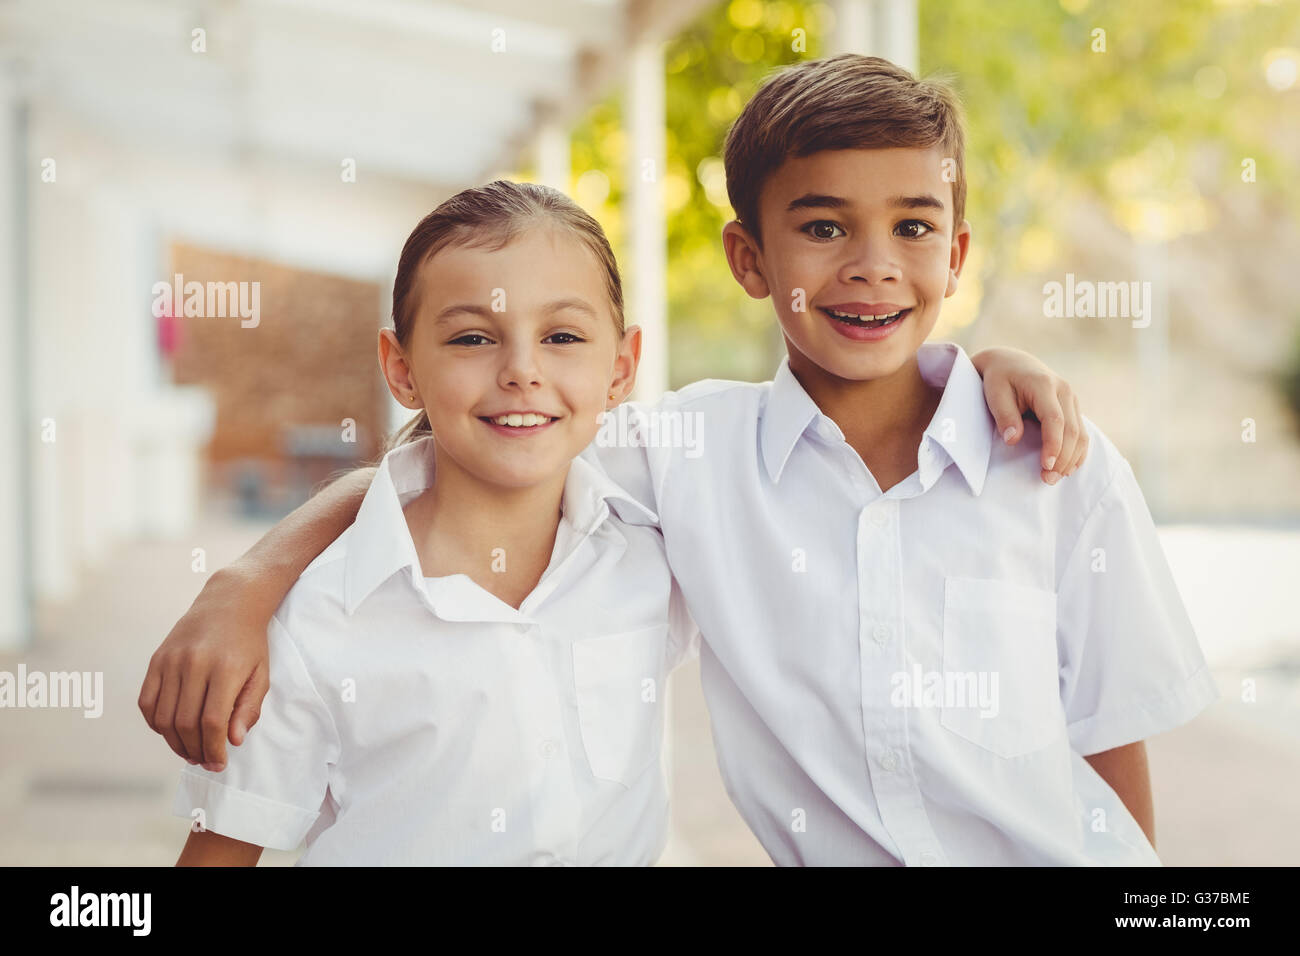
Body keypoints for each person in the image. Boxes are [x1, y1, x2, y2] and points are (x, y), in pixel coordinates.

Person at [142, 57, 1122, 866]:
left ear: (620, 365)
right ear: (749, 260)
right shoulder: (683, 462)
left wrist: (993, 363)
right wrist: (251, 575)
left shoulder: (1040, 461)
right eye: (823, 226)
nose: (870, 263)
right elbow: (454, 460)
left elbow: (1115, 736)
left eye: (910, 227)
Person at [172, 181, 697, 865]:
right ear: (401, 368)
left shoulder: (659, 545)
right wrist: (249, 580)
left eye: (562, 335)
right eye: (473, 337)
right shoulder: (314, 626)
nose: (521, 371)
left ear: (621, 367)